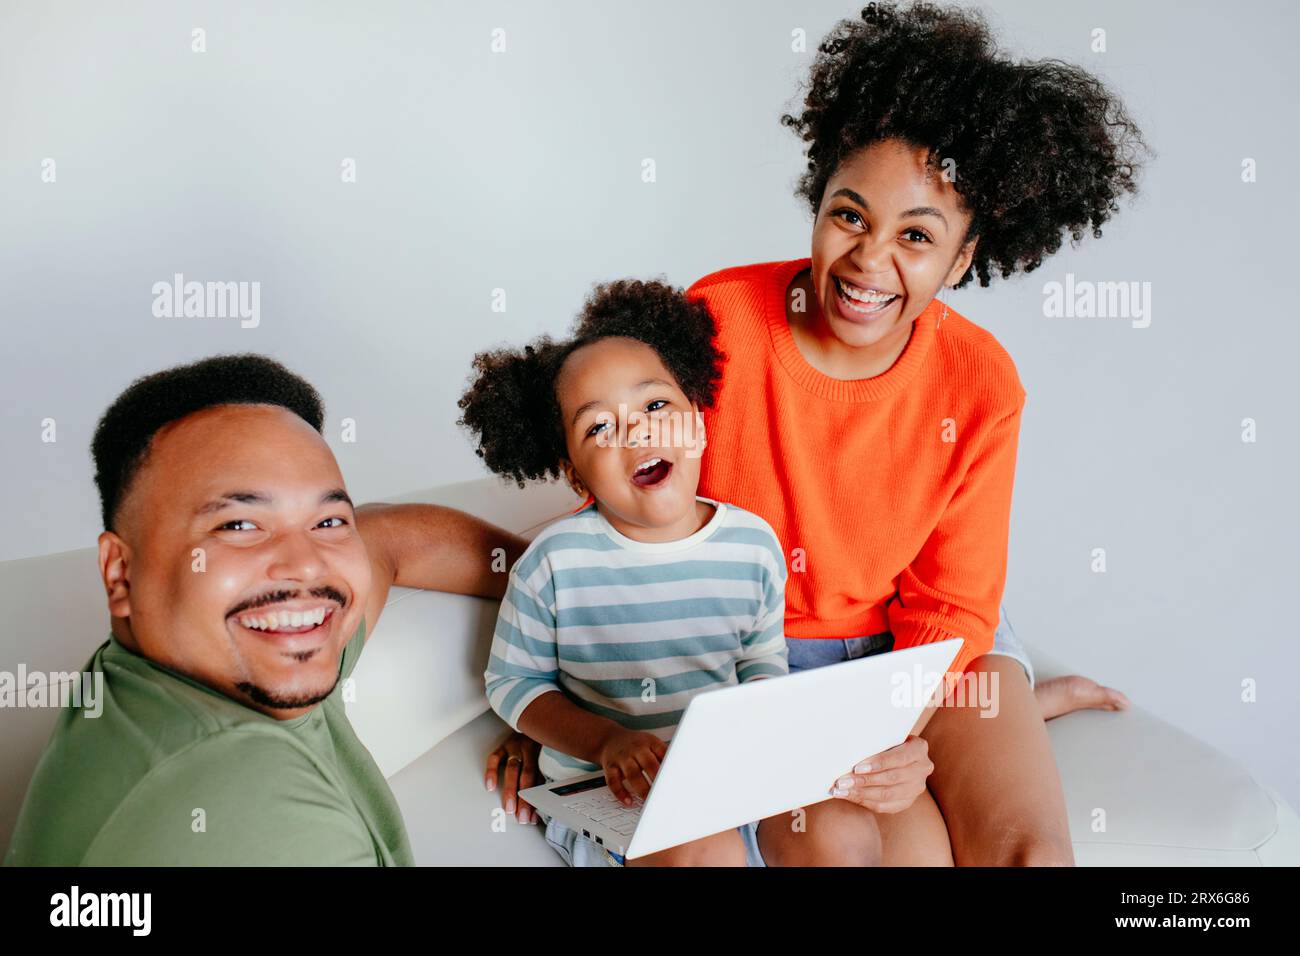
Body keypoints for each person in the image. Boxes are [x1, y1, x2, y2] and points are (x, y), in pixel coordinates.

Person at [486, 1, 1142, 865]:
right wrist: (582, 719)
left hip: (919, 650)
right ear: (818, 200)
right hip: (759, 656)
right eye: (849, 215)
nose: (871, 262)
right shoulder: (719, 319)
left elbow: (952, 602)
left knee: (1028, 854)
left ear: (964, 257)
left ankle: (1026, 697)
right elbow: (628, 518)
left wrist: (899, 730)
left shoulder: (982, 380)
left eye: (917, 236)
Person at [5, 354, 526, 865]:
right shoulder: (245, 810)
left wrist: (579, 613)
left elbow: (389, 535)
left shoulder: (237, 652)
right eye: (238, 526)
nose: (306, 566)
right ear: (121, 573)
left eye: (326, 522)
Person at [460, 280, 788, 866]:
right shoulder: (554, 563)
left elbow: (761, 660)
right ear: (576, 477)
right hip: (610, 801)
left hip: (725, 787)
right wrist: (606, 741)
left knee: (840, 830)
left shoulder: (754, 544)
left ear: (699, 423)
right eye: (599, 428)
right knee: (708, 853)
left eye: (655, 406)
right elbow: (514, 684)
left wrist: (763, 729)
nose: (636, 431)